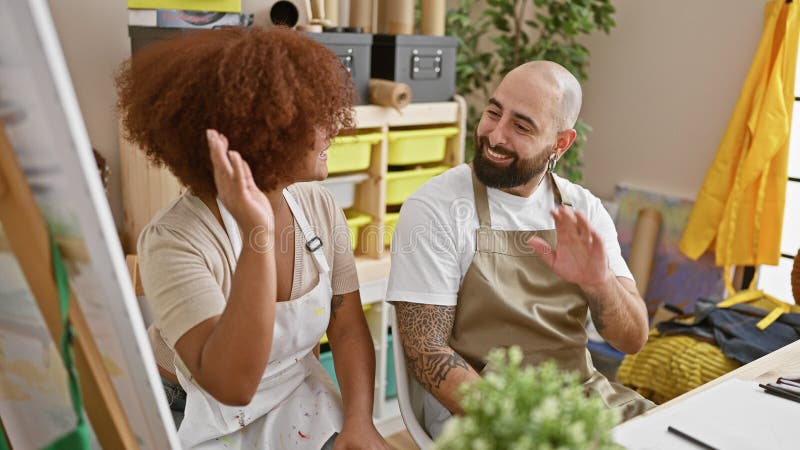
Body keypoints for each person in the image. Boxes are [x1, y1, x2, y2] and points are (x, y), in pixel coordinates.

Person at [116, 27, 389, 450]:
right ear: (263, 135)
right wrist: (257, 232)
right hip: (191, 411)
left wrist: (360, 423)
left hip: (295, 392)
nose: (332, 129)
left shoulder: (318, 206)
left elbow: (347, 325)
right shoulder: (173, 240)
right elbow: (232, 385)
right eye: (313, 117)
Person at [386, 60, 655, 438]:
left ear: (560, 143)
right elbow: (426, 351)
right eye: (494, 112)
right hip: (485, 414)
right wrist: (529, 429)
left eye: (521, 126)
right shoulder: (437, 207)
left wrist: (599, 282)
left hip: (584, 398)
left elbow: (633, 339)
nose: (495, 135)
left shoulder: (583, 209)